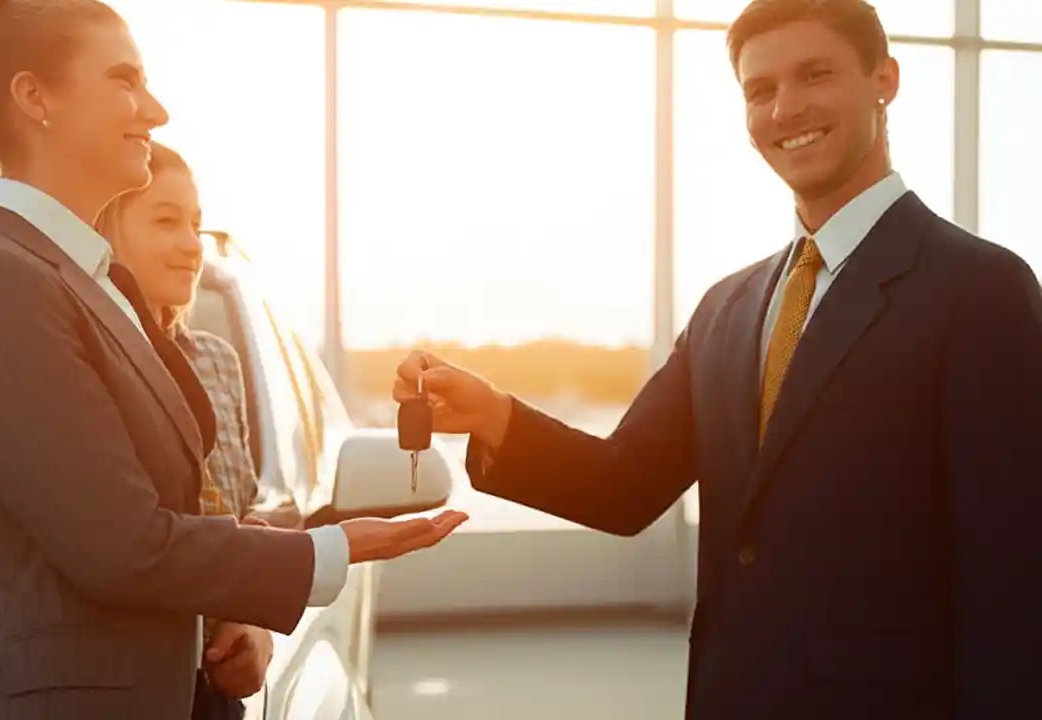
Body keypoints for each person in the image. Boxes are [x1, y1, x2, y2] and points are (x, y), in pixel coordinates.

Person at [395, 1, 1042, 718]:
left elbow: (1013, 573)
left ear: (883, 80)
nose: (785, 109)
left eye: (815, 75)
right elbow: (625, 486)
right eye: (760, 90)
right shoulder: (727, 308)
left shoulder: (981, 290)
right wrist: (493, 415)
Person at [0, 2, 466, 719]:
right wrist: (330, 548)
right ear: (35, 97)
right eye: (125, 80)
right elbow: (120, 544)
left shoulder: (84, 282)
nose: (157, 111)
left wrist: (244, 590)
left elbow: (157, 511)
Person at [95, 141, 278, 717]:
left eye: (196, 225)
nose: (192, 244)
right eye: (166, 221)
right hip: (104, 689)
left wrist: (249, 625)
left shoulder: (216, 362)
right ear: (105, 233)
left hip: (207, 693)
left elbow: (239, 520)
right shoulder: (73, 361)